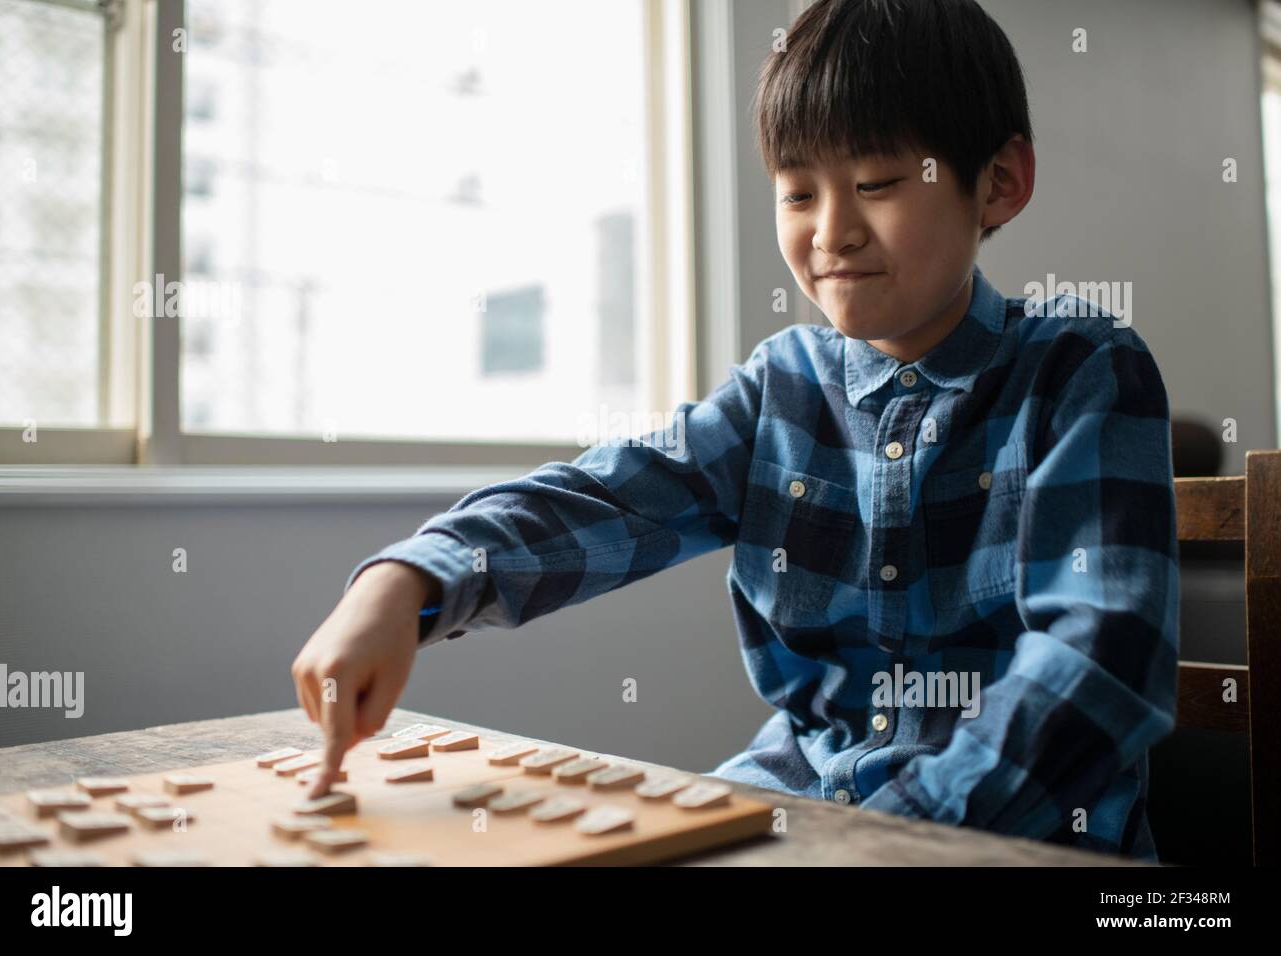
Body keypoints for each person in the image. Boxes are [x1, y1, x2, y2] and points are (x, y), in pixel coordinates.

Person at [294, 0, 1178, 860]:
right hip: (795, 807)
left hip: (1011, 840)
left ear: (1001, 181)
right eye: (797, 194)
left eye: (875, 184)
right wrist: (410, 579)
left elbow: (1102, 664)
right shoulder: (782, 388)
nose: (832, 232)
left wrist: (899, 835)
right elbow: (606, 499)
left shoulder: (1079, 369)